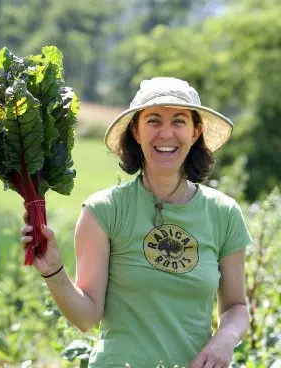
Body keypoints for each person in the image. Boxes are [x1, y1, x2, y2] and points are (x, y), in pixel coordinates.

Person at [20, 77, 252, 368]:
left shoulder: (223, 213)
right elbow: (86, 317)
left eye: (179, 121)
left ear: (196, 132)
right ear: (136, 131)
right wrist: (53, 270)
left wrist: (224, 340)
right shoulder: (104, 210)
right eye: (153, 121)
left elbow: (236, 307)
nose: (166, 133)